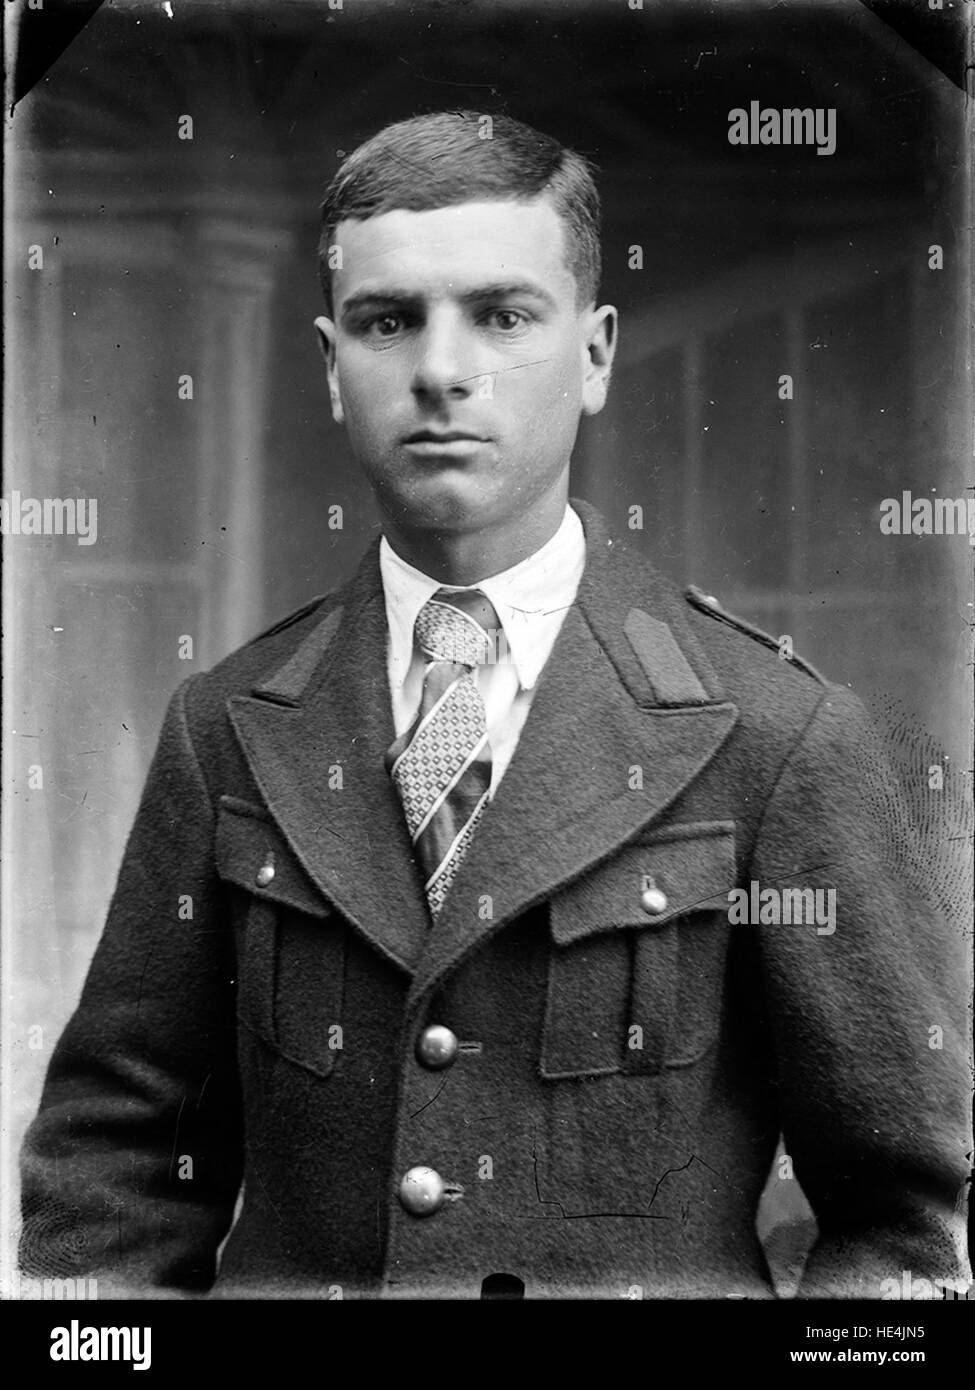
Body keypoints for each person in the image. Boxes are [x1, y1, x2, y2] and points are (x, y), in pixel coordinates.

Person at [19, 110, 970, 1300]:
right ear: (329, 363)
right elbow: (112, 1174)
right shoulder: (229, 727)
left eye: (504, 315)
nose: (441, 370)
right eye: (387, 320)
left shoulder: (772, 734)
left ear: (596, 352)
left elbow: (900, 1223)